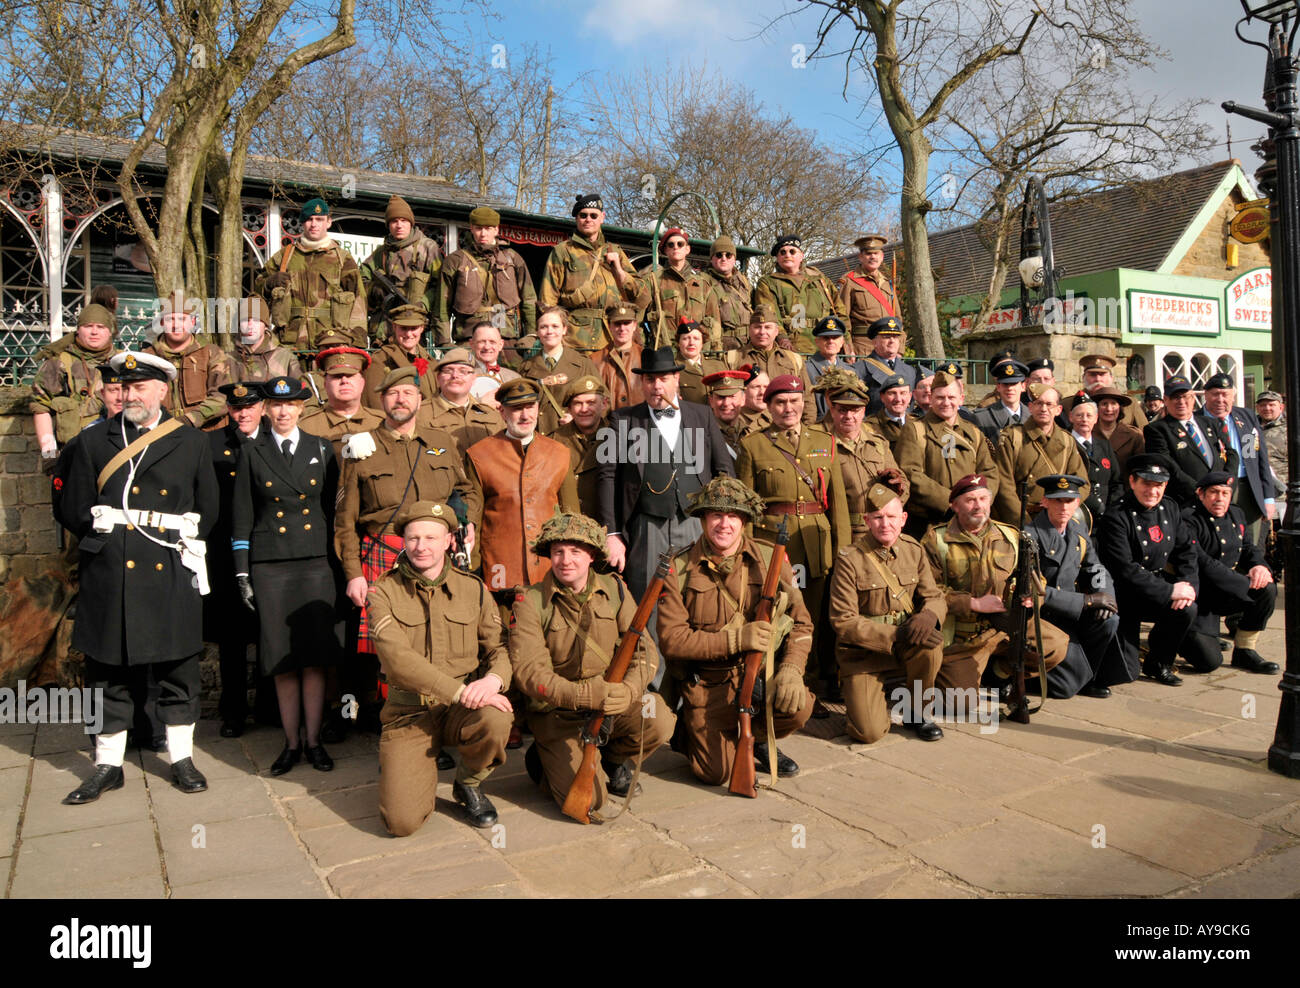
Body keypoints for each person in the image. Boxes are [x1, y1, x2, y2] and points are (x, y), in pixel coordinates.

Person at [59, 351, 217, 803]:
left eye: (140, 387)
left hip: (169, 565)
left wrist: (182, 541)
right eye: (123, 387)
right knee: (106, 670)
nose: (129, 395)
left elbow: (208, 508)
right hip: (112, 570)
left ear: (162, 390)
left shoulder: (190, 442)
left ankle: (182, 758)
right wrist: (108, 535)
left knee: (178, 667)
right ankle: (108, 764)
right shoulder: (93, 442)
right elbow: (72, 508)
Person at [334, 366, 480, 727]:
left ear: (420, 400)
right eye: (392, 394)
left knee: (435, 638)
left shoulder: (442, 442)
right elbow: (345, 520)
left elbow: (466, 490)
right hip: (384, 554)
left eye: (408, 393)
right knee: (389, 647)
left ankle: (438, 719)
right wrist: (353, 573)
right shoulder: (360, 447)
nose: (401, 399)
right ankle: (397, 723)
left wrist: (468, 521)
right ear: (381, 401)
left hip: (436, 555)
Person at [509, 512, 676, 816]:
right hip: (559, 714)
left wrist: (628, 690)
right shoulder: (530, 601)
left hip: (610, 703)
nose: (565, 560)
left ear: (591, 555)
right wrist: (584, 695)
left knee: (659, 718)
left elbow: (645, 651)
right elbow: (530, 674)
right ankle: (544, 761)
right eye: (558, 551)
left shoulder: (615, 590)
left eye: (575, 551)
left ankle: (611, 760)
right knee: (590, 803)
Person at [656, 477, 816, 783]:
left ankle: (752, 738)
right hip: (708, 686)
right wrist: (735, 639)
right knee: (716, 775)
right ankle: (690, 734)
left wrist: (792, 669)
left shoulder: (770, 559)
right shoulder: (678, 569)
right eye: (715, 515)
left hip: (758, 678)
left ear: (744, 520)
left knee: (798, 705)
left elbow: (801, 622)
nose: (724, 524)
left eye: (732, 515)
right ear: (702, 519)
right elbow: (672, 642)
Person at [367, 500, 514, 832]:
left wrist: (492, 681)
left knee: (497, 716)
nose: (421, 547)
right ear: (403, 541)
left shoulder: (473, 588)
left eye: (431, 538)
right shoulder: (382, 592)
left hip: (460, 712)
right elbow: (399, 662)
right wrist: (463, 692)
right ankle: (408, 769)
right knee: (401, 823)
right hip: (409, 714)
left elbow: (500, 648)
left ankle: (468, 782)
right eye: (414, 538)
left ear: (449, 540)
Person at [231, 375, 343, 774]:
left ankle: (314, 742)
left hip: (315, 563)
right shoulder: (252, 451)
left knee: (313, 657)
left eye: (290, 404)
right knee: (281, 658)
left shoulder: (320, 448)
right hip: (272, 565)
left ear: (301, 408)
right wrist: (242, 573)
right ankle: (291, 742)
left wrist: (342, 566)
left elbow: (333, 513)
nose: (282, 411)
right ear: (266, 410)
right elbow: (242, 517)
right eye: (275, 405)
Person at [598, 346, 734, 671]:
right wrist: (613, 533)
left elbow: (724, 470)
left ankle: (699, 684)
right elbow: (607, 476)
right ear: (641, 384)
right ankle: (653, 685)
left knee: (700, 597)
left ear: (676, 379)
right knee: (649, 605)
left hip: (695, 524)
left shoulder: (702, 415)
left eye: (662, 379)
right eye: (649, 381)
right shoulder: (622, 420)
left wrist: (724, 522)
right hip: (648, 526)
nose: (656, 387)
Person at [735, 374, 850, 708]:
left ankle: (813, 685)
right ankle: (777, 684)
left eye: (795, 402)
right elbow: (746, 505)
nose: (789, 408)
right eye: (780, 402)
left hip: (816, 542)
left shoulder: (824, 441)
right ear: (769, 407)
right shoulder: (753, 445)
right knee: (777, 614)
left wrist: (841, 551)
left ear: (805, 405)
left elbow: (838, 502)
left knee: (814, 615)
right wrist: (749, 552)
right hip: (774, 545)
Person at [920, 474, 1068, 695]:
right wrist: (974, 603)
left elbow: (1038, 580)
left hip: (1006, 627)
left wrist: (1032, 598)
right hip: (963, 636)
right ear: (955, 505)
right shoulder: (935, 540)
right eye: (970, 500)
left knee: (1055, 644)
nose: (978, 506)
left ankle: (997, 674)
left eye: (983, 499)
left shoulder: (1011, 536)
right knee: (960, 704)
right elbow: (928, 591)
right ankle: (969, 673)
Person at [829, 477, 947, 742]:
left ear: (903, 519)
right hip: (864, 655)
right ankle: (864, 697)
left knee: (930, 645)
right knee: (868, 733)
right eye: (878, 517)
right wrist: (896, 635)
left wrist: (929, 615)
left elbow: (935, 595)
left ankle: (918, 713)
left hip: (904, 649)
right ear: (867, 520)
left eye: (891, 517)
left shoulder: (913, 550)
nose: (886, 524)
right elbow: (843, 621)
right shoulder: (849, 559)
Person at [465, 378, 579, 597]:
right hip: (500, 567)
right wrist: (474, 572)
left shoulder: (559, 453)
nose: (525, 416)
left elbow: (571, 517)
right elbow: (475, 519)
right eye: (516, 409)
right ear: (502, 412)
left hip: (548, 567)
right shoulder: (480, 455)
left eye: (530, 407)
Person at [1096, 453, 1199, 686]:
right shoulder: (1116, 516)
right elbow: (1124, 569)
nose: (1153, 491)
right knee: (1125, 674)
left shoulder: (1170, 508)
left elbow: (1186, 551)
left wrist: (1188, 585)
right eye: (1146, 484)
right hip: (1125, 596)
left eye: (1159, 485)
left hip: (1156, 584)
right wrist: (1170, 591)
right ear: (1132, 482)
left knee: (1187, 609)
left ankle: (1159, 663)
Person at [1024, 474, 1127, 698]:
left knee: (1109, 618)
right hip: (1044, 617)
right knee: (1064, 688)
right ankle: (1021, 682)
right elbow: (1034, 589)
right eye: (1057, 500)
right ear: (1045, 502)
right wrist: (1087, 601)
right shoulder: (1029, 537)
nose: (1064, 507)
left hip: (1071, 613)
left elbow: (1096, 568)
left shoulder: (1077, 530)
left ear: (1077, 503)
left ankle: (1090, 678)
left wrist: (1105, 594)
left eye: (1069, 501)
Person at [208, 381, 267, 737]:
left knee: (269, 633)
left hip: (268, 548)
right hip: (226, 550)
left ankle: (268, 705)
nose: (243, 413)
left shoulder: (274, 441)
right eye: (236, 407)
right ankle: (232, 710)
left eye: (250, 406)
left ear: (262, 408)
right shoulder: (211, 444)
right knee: (231, 637)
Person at [1176, 472, 1279, 675]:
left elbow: (1248, 547)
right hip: (1199, 598)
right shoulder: (1188, 519)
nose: (1220, 498)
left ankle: (1245, 650)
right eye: (1214, 492)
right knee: (1209, 662)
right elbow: (1204, 563)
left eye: (1225, 493)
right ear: (1201, 494)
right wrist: (1244, 583)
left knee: (1266, 587)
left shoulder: (1236, 513)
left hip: (1226, 591)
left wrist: (1260, 567)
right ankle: (1173, 637)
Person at [894, 370, 998, 535]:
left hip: (969, 522)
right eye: (940, 397)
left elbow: (989, 471)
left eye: (951, 397)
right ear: (931, 398)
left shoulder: (973, 432)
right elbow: (910, 473)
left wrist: (979, 501)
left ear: (961, 400)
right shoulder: (915, 429)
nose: (946, 402)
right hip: (929, 524)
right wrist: (951, 501)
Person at [539, 194, 646, 350]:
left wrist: (619, 271)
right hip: (575, 341)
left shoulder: (615, 251)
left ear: (602, 218)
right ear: (577, 218)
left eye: (593, 215)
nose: (588, 219)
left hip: (612, 337)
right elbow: (548, 300)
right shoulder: (563, 251)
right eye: (583, 215)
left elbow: (642, 296)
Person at [260, 198, 367, 349]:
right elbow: (256, 296)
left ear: (328, 222)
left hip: (331, 341)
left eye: (319, 219)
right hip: (289, 343)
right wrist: (268, 282)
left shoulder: (342, 259)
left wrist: (357, 344)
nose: (314, 224)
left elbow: (358, 301)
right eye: (309, 219)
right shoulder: (284, 257)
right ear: (302, 223)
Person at [818, 369, 906, 544]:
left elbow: (903, 482)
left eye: (855, 410)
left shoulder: (878, 443)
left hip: (879, 531)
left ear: (863, 412)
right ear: (833, 410)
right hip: (839, 534)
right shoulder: (819, 442)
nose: (849, 416)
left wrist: (897, 488)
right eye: (843, 410)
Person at [31, 302, 120, 467]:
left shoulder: (122, 363)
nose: (94, 332)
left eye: (100, 326)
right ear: (78, 329)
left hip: (117, 452)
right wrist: (50, 456)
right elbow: (41, 408)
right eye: (88, 326)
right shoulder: (59, 363)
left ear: (110, 331)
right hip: (73, 454)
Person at [435, 205, 536, 346]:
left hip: (505, 338)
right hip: (468, 338)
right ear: (471, 228)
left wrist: (531, 334)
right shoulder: (455, 260)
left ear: (496, 229)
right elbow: (441, 305)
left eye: (488, 228)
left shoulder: (512, 259)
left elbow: (529, 298)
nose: (483, 234)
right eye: (478, 228)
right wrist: (444, 342)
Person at [991, 384, 1090, 524]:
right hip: (1021, 518)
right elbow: (1004, 485)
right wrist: (1022, 521)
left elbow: (1082, 484)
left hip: (1057, 519)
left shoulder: (1067, 441)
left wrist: (1065, 507)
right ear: (1030, 407)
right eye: (1039, 403)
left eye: (1049, 404)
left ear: (1058, 410)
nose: (1044, 409)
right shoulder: (1013, 437)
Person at [1201, 372, 1276, 545]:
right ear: (1205, 395)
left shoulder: (1247, 417)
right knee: (1219, 541)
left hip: (1247, 489)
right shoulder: (1196, 420)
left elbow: (1259, 458)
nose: (1220, 399)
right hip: (1215, 490)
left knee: (1251, 544)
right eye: (1215, 394)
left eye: (1225, 394)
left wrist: (1268, 497)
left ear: (1233, 396)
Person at [143, 292, 233, 431]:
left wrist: (190, 419)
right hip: (161, 433)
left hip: (206, 433)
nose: (176, 325)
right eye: (170, 319)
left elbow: (222, 396)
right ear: (161, 323)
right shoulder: (148, 357)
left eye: (181, 319)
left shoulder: (212, 353)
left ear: (192, 322)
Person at [1143, 375, 1236, 507]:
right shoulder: (1157, 430)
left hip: (1220, 502)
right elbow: (1169, 467)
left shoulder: (1211, 423)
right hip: (1187, 503)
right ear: (1166, 400)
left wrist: (1228, 485)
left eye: (1185, 396)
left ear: (1193, 398)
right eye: (1176, 397)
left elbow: (1231, 454)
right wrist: (1201, 492)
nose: (1181, 402)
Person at [724, 304, 815, 424]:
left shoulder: (794, 359)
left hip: (787, 425)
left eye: (768, 327)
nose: (762, 332)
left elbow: (807, 397)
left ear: (776, 331)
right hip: (747, 426)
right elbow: (726, 396)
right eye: (757, 327)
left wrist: (806, 428)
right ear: (749, 330)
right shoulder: (732, 358)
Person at [517, 306, 601, 435]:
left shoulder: (583, 364)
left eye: (555, 326)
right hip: (537, 439)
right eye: (544, 327)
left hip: (571, 437)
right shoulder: (526, 367)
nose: (549, 331)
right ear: (538, 332)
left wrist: (580, 418)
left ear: (564, 330)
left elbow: (603, 402)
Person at [752, 235, 843, 353]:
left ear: (801, 255)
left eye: (792, 251)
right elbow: (769, 315)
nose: (787, 255)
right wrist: (782, 339)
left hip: (825, 345)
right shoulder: (768, 282)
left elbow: (840, 311)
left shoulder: (820, 280)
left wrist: (845, 339)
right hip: (792, 349)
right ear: (778, 258)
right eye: (782, 252)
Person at [643, 227, 719, 347]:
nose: (676, 247)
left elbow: (714, 325)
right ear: (665, 250)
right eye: (671, 244)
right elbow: (636, 320)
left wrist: (712, 354)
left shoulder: (703, 284)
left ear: (687, 249)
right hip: (665, 355)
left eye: (680, 244)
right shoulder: (653, 281)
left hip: (695, 353)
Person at [551, 376, 611, 518]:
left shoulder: (617, 438)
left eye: (591, 403)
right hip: (568, 525)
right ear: (569, 409)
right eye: (578, 404)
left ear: (604, 404)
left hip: (606, 524)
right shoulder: (553, 442)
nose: (584, 409)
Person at [424, 348, 505, 452]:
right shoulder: (420, 415)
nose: (455, 376)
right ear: (438, 377)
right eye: (448, 371)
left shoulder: (492, 415)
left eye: (463, 371)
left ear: (473, 378)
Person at [362, 304, 438, 412]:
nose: (408, 334)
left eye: (414, 328)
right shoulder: (380, 360)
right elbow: (374, 403)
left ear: (422, 328)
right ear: (394, 327)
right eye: (403, 328)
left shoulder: (430, 361)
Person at [1067, 392, 1123, 525]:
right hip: (1079, 516)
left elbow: (1117, 482)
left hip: (1107, 517)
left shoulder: (1104, 445)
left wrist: (1112, 508)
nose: (1084, 419)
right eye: (1079, 415)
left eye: (1089, 415)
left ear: (1096, 418)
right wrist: (1097, 506)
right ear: (1071, 417)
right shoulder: (1066, 445)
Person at [837, 234, 897, 348]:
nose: (873, 257)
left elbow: (897, 318)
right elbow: (842, 318)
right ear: (860, 256)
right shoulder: (849, 281)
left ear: (882, 256)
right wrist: (848, 348)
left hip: (888, 346)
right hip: (863, 346)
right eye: (868, 253)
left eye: (876, 253)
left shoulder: (887, 283)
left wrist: (900, 349)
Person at [228, 296, 302, 383]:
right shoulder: (228, 360)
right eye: (245, 320)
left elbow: (300, 393)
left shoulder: (286, 358)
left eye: (256, 320)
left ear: (266, 325)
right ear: (239, 325)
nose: (250, 325)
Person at [805, 316, 867, 419]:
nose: (831, 341)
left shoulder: (851, 371)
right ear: (817, 341)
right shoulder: (806, 369)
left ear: (842, 342)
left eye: (835, 337)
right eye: (826, 338)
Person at [1064, 354, 1147, 429]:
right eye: (1093, 375)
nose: (1098, 379)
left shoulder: (1129, 404)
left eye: (1102, 374)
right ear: (1083, 377)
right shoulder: (1067, 404)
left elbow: (1146, 434)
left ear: (1111, 378)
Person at [701, 234, 751, 350]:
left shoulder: (743, 282)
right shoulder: (703, 282)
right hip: (722, 347)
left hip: (746, 347)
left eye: (728, 255)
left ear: (734, 259)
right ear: (712, 259)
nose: (724, 258)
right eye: (719, 255)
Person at [591, 303, 644, 411]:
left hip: (640, 423)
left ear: (634, 325)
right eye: (617, 324)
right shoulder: (594, 360)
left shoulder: (646, 357)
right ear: (609, 326)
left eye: (626, 323)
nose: (622, 328)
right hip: (608, 424)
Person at [858, 317, 918, 409]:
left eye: (895, 337)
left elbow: (910, 408)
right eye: (886, 337)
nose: (892, 341)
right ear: (875, 342)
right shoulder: (860, 369)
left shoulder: (910, 371)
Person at [970, 359, 1030, 444]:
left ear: (1023, 386)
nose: (1010, 388)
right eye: (1005, 384)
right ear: (998, 387)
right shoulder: (982, 418)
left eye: (1014, 383)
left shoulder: (1033, 416)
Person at [702, 369, 752, 462]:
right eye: (721, 397)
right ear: (711, 401)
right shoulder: (701, 436)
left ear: (743, 399)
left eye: (732, 396)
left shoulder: (752, 434)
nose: (726, 403)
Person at [468, 319, 522, 404]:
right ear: (472, 344)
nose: (487, 347)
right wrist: (479, 402)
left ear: (500, 345)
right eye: (481, 342)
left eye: (492, 342)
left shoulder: (515, 378)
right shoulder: (462, 376)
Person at [868, 366, 922, 452]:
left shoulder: (918, 423)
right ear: (882, 397)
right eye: (892, 393)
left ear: (910, 396)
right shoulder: (870, 426)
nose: (898, 399)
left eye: (903, 393)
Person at [1094, 385, 1145, 475]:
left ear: (1120, 408)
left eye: (1113, 404)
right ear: (1097, 408)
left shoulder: (1134, 436)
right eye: (1104, 404)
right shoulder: (1087, 433)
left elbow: (1140, 468)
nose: (1109, 409)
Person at [675, 318, 726, 404]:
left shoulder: (718, 366)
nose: (691, 343)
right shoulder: (673, 369)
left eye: (696, 338)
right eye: (685, 338)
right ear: (678, 343)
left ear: (702, 342)